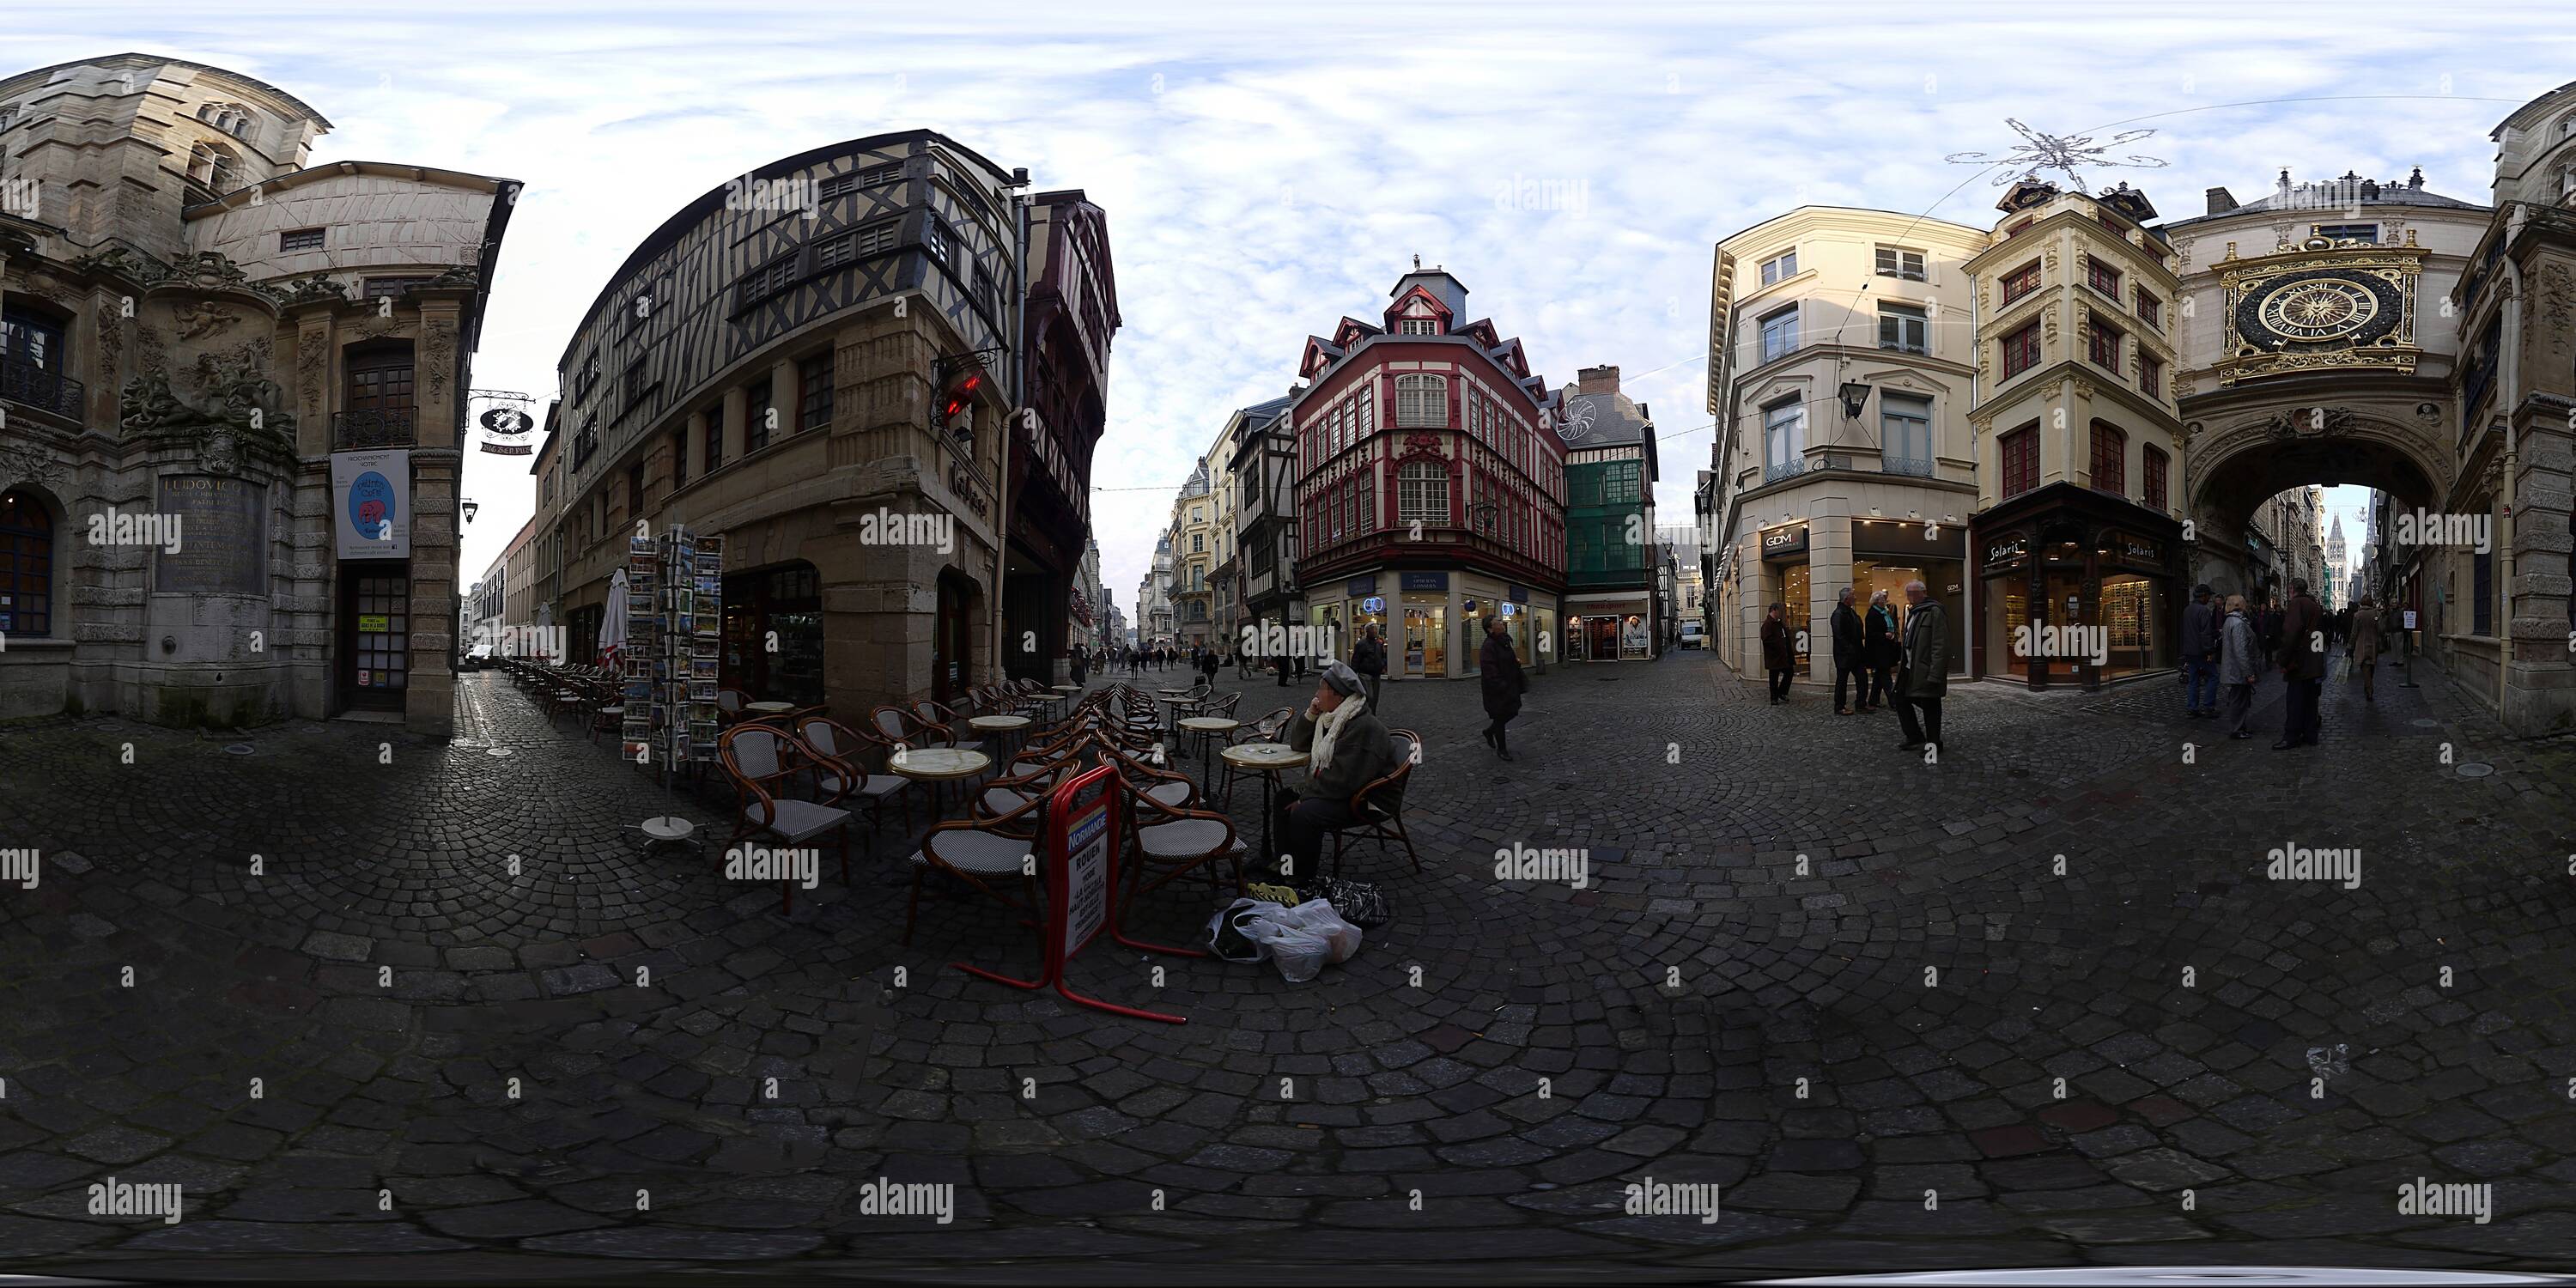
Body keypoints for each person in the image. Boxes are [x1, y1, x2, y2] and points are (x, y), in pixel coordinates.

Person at [1271, 661, 1400, 881]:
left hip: (1368, 799)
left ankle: (1303, 876)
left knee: (1304, 814)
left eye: (1321, 689)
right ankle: (1286, 865)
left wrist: (1305, 799)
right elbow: (1299, 745)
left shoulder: (1361, 726)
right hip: (1343, 789)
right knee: (1282, 799)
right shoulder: (1330, 719)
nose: (1316, 694)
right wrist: (1311, 714)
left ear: (1339, 696)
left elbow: (1343, 780)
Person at [1893, 580, 1947, 755]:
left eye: (1913, 593)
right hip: (1909, 668)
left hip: (1925, 668)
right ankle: (1914, 735)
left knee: (1931, 706)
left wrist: (1935, 674)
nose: (1910, 597)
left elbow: (1940, 645)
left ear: (1923, 592)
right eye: (1908, 593)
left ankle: (1934, 743)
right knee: (1900, 699)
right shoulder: (1912, 612)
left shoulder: (1934, 611)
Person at [2276, 576, 2325, 750]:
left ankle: (2292, 736)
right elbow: (2318, 636)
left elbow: (2291, 633)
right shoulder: (2315, 607)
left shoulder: (2296, 605)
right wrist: (2317, 659)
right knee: (2311, 701)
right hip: (2313, 662)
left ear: (2291, 589)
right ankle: (2310, 734)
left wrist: (2283, 659)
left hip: (2300, 663)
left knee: (2295, 701)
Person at [1479, 614, 1527, 761]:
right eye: (1497, 622)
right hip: (1497, 689)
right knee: (1500, 717)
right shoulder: (1488, 646)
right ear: (1490, 629)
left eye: (1500, 621)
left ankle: (1489, 731)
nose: (1501, 623)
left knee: (1513, 711)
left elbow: (1510, 659)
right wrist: (1501, 685)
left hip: (1510, 684)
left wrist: (1516, 663)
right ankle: (1502, 749)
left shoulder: (1505, 640)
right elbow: (1489, 670)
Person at [2218, 593, 2261, 740]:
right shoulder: (2237, 624)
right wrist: (2249, 672)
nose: (2247, 606)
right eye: (2244, 603)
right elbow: (2241, 650)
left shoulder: (2232, 621)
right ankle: (2237, 729)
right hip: (2237, 671)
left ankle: (2240, 726)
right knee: (2239, 701)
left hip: (2234, 670)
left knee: (2239, 699)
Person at [2179, 583, 2219, 720]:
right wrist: (2209, 651)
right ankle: (2209, 706)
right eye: (2208, 596)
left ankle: (2192, 708)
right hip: (2201, 651)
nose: (2209, 599)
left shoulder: (2187, 610)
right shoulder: (2204, 610)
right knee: (2213, 676)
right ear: (2203, 596)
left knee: (2193, 679)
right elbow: (2205, 633)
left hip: (2190, 651)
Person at [1829, 587, 1865, 716]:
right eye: (1853, 595)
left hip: (1856, 653)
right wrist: (1849, 649)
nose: (1855, 597)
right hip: (1845, 655)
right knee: (1842, 681)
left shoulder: (1851, 612)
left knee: (1862, 678)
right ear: (1846, 599)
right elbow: (1839, 636)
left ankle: (1861, 704)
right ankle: (1839, 706)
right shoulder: (1838, 614)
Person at [1862, 589, 1899, 714]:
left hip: (1885, 649)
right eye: (1883, 599)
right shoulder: (1873, 614)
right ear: (1877, 601)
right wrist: (1885, 635)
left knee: (1879, 676)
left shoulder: (1885, 613)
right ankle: (1894, 701)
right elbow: (1871, 634)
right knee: (1885, 675)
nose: (1885, 600)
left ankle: (1873, 700)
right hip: (1878, 651)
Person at [1759, 604, 1795, 704]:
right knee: (1773, 677)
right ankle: (1774, 698)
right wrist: (1778, 645)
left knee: (1789, 672)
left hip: (1783, 655)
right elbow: (1766, 640)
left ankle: (1782, 692)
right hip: (1774, 656)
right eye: (1780, 611)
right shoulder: (1768, 624)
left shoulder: (1779, 623)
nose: (1781, 613)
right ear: (1774, 610)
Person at [2350, 595, 2383, 701]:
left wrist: (2350, 646)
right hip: (2374, 644)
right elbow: (2381, 629)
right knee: (2372, 665)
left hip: (2361, 645)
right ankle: (2368, 686)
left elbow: (2354, 633)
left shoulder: (2357, 615)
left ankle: (2369, 688)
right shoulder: (2377, 614)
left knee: (2365, 667)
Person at [1352, 624, 1387, 713]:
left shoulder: (1379, 644)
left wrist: (1382, 666)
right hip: (1365, 674)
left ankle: (1372, 715)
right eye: (1373, 629)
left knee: (1375, 698)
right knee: (1369, 697)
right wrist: (1353, 673)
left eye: (1376, 629)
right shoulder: (1361, 644)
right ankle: (1366, 715)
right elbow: (1356, 659)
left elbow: (1382, 656)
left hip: (1376, 675)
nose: (1375, 631)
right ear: (1367, 631)